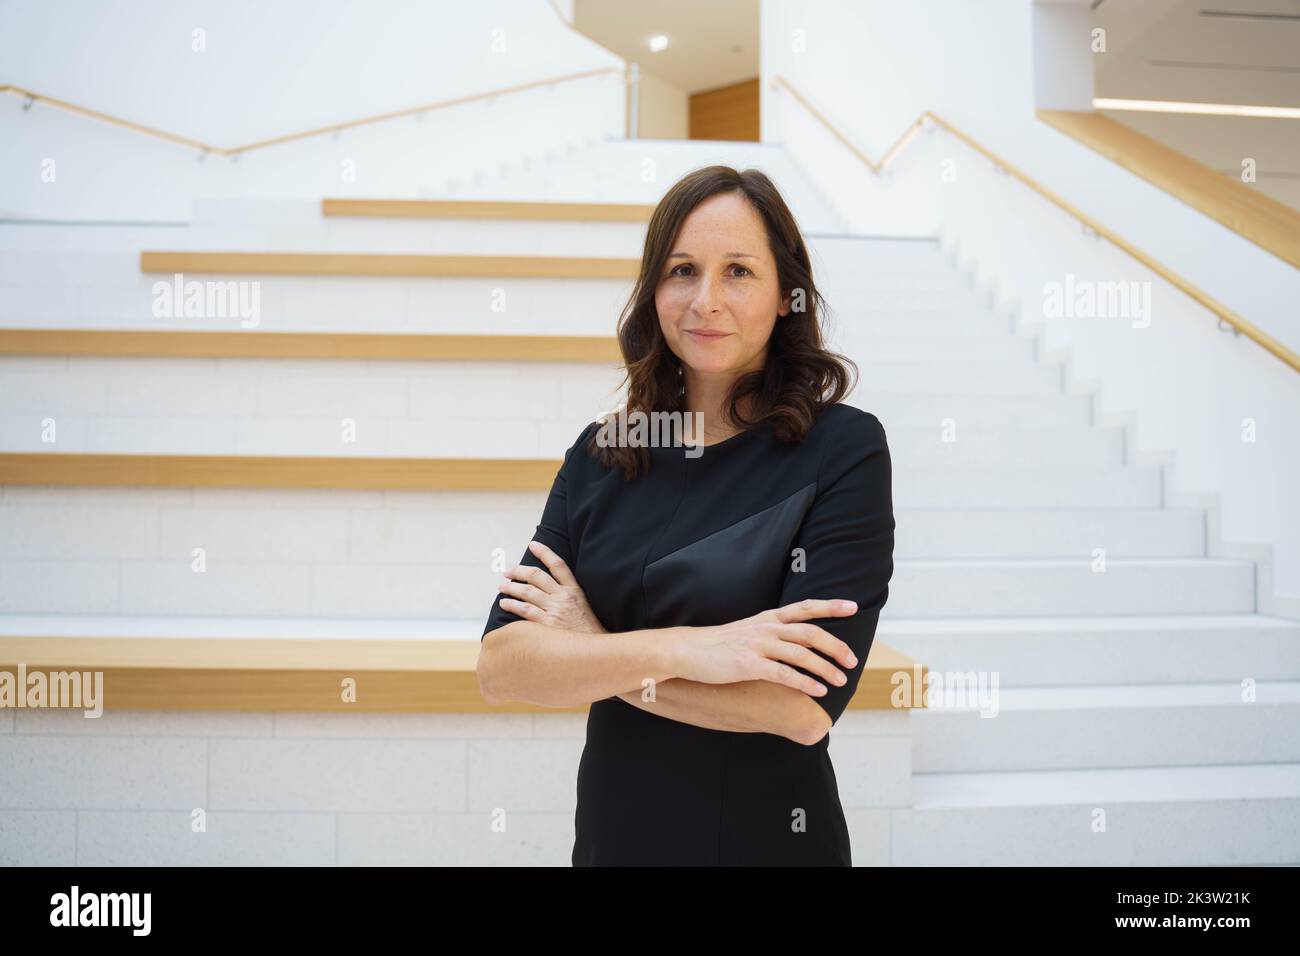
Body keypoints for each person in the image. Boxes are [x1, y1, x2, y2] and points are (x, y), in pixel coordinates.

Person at [477, 165, 895, 866]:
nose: (706, 300)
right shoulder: (603, 453)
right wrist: (685, 651)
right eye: (682, 270)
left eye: (738, 271)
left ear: (786, 295)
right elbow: (503, 668)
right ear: (654, 291)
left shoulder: (842, 450)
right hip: (616, 840)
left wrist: (593, 647)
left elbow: (797, 709)